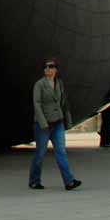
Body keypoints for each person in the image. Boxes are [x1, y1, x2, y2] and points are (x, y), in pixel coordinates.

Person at [28, 57, 81, 190]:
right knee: (40, 153)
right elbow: (37, 104)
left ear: (56, 69)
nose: (48, 69)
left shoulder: (59, 83)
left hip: (58, 123)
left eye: (51, 67)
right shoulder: (39, 85)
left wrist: (67, 120)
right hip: (44, 125)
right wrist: (42, 122)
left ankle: (69, 181)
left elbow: (64, 103)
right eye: (45, 67)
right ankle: (34, 180)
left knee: (61, 152)